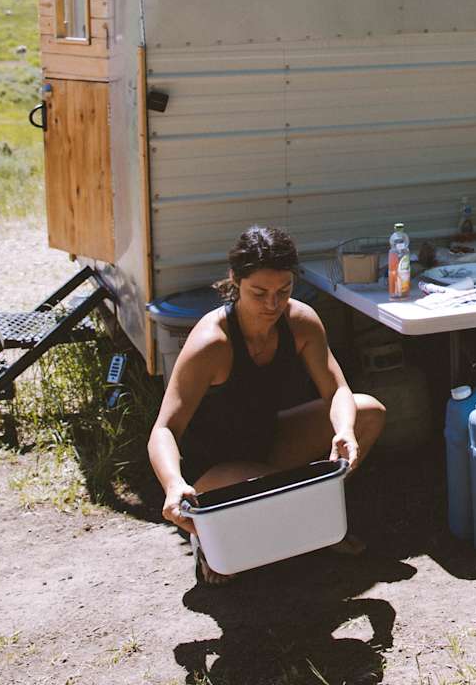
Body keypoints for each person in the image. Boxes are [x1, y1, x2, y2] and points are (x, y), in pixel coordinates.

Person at [149, 225, 386, 583]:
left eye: (284, 291)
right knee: (280, 496)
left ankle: (308, 524)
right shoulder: (212, 342)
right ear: (235, 281)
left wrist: (345, 432)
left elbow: (337, 391)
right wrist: (173, 485)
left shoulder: (301, 322)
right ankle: (229, 536)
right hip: (218, 472)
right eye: (259, 293)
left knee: (367, 411)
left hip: (267, 442)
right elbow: (164, 429)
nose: (273, 304)